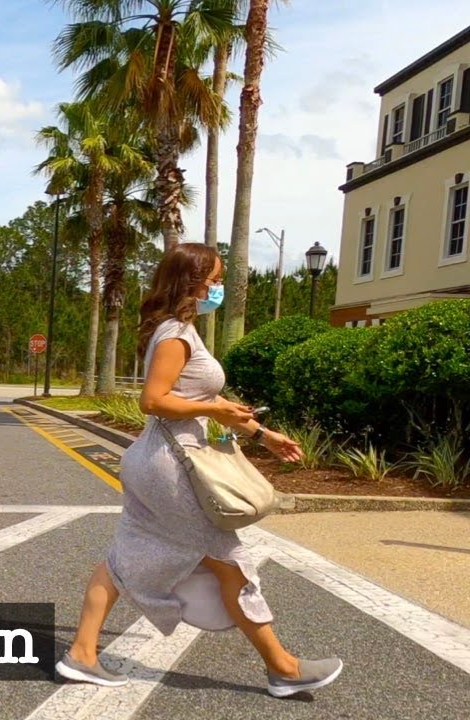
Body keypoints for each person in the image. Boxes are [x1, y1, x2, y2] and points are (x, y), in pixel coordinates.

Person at [54, 243, 343, 699]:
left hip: (158, 460)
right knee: (231, 562)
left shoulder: (181, 329)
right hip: (174, 465)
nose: (219, 288)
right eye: (215, 280)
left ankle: (82, 654)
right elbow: (153, 400)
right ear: (191, 283)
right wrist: (215, 410)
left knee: (121, 559)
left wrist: (262, 434)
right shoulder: (175, 333)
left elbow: (205, 403)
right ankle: (284, 668)